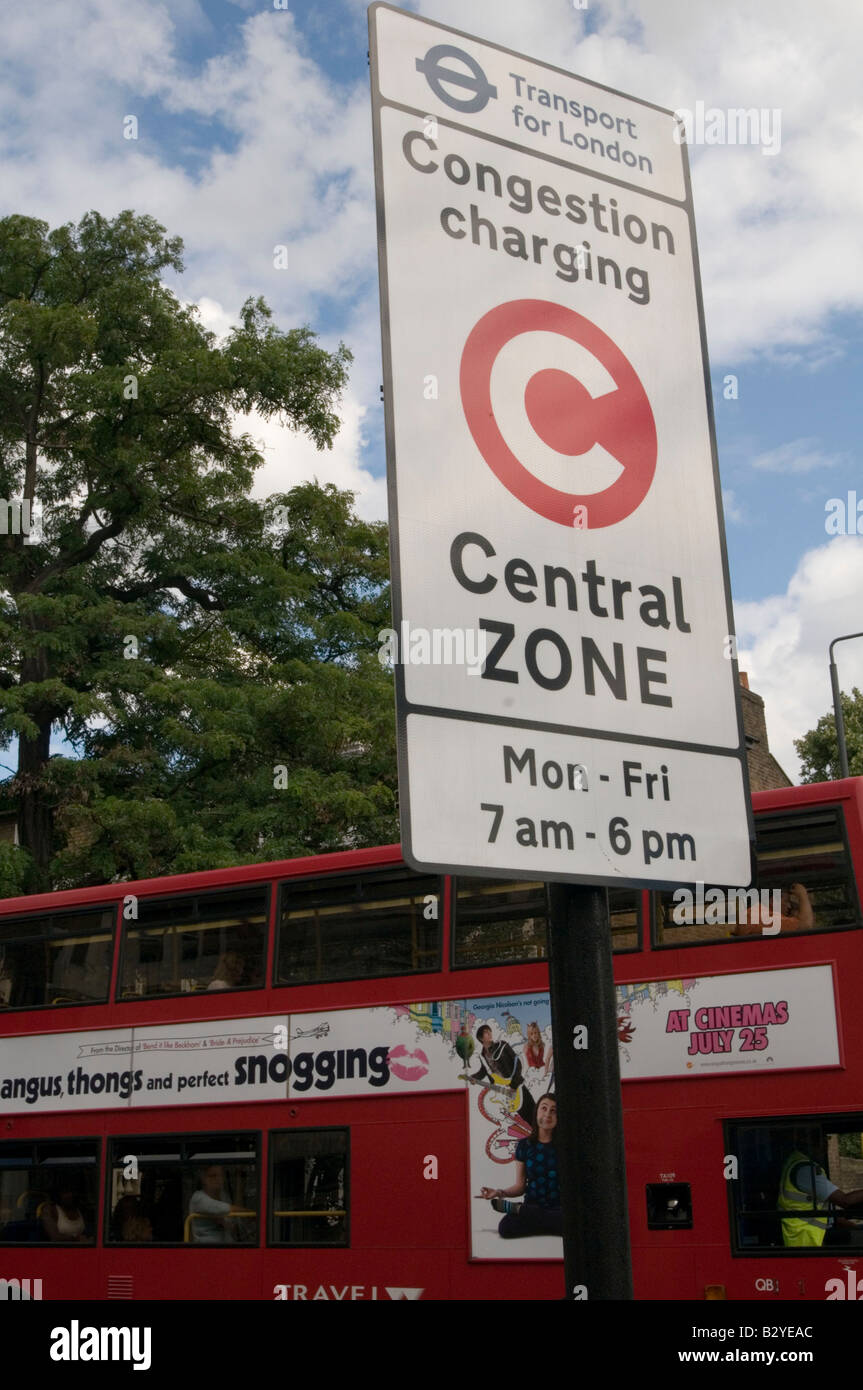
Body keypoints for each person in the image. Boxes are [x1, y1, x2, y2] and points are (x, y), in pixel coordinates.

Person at [479, 1094, 562, 1239]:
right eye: (544, 1108)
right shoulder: (525, 1145)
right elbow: (520, 1186)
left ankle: (521, 1211)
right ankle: (542, 1220)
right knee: (505, 1228)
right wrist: (498, 1192)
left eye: (553, 1110)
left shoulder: (565, 1146)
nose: (548, 1114)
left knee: (571, 1221)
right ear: (536, 1112)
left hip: (558, 1207)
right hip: (533, 1205)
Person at [778, 1140, 863, 1247]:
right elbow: (845, 1200)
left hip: (815, 1234)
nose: (824, 1151)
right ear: (811, 1146)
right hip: (807, 1238)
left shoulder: (798, 1163)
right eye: (823, 1146)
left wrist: (856, 1227)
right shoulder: (805, 1171)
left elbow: (828, 1213)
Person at [472, 1024, 535, 1127]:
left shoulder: (502, 1046)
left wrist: (513, 1085)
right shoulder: (483, 1056)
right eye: (486, 1032)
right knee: (524, 1116)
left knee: (533, 1110)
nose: (490, 1034)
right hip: (505, 1091)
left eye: (490, 1031)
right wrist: (474, 1078)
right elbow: (484, 1071)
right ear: (480, 1038)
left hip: (516, 1085)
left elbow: (517, 1063)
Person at [188, 1165, 246, 1244]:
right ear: (203, 1178)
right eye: (212, 1176)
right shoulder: (198, 1198)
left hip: (226, 1245)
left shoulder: (224, 1196)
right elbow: (228, 1209)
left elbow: (232, 1224)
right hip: (206, 1247)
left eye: (220, 1175)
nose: (218, 1179)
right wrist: (254, 1214)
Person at [731, 882, 814, 937]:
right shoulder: (761, 916)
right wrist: (803, 895)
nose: (789, 907)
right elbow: (805, 925)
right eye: (786, 901)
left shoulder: (755, 914)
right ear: (773, 900)